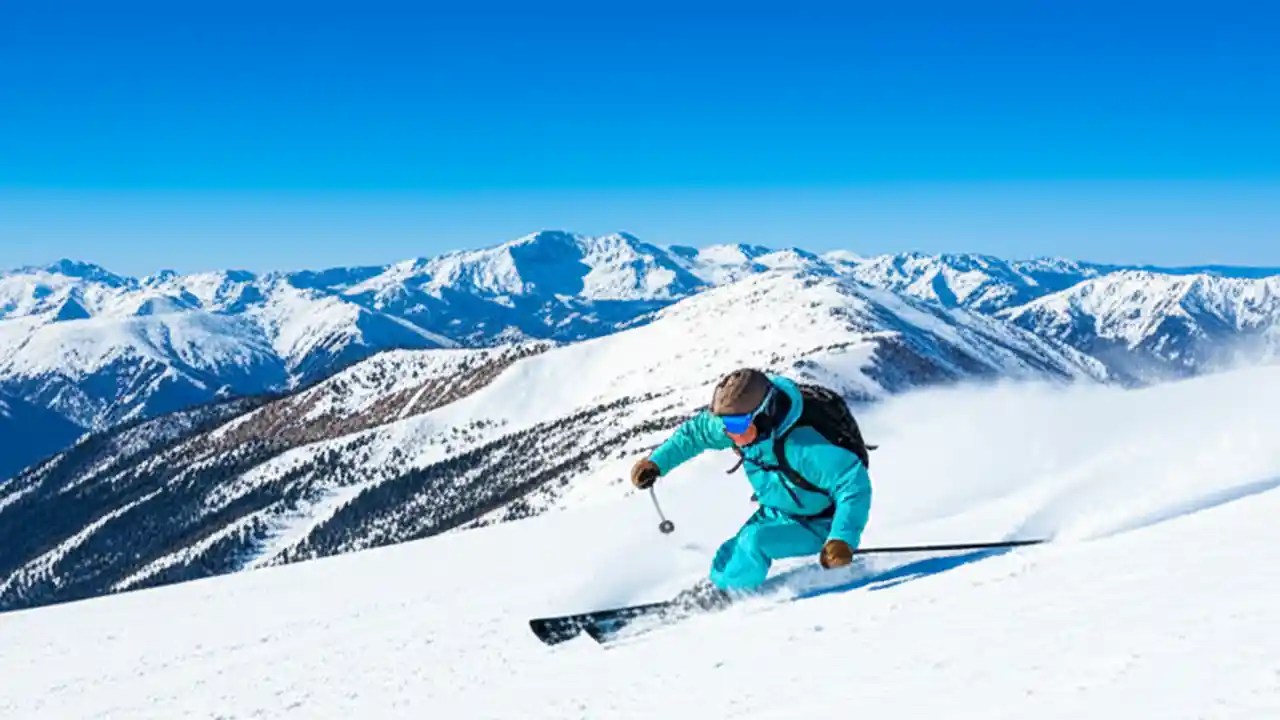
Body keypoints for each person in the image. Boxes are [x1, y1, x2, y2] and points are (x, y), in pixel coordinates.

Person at [631, 368, 872, 592]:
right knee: (732, 552)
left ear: (766, 414)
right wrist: (656, 463)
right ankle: (719, 589)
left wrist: (841, 540)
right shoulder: (737, 424)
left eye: (735, 425)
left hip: (822, 522)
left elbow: (852, 486)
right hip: (778, 508)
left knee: (754, 542)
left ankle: (729, 596)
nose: (728, 433)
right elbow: (695, 435)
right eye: (723, 424)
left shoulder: (806, 445)